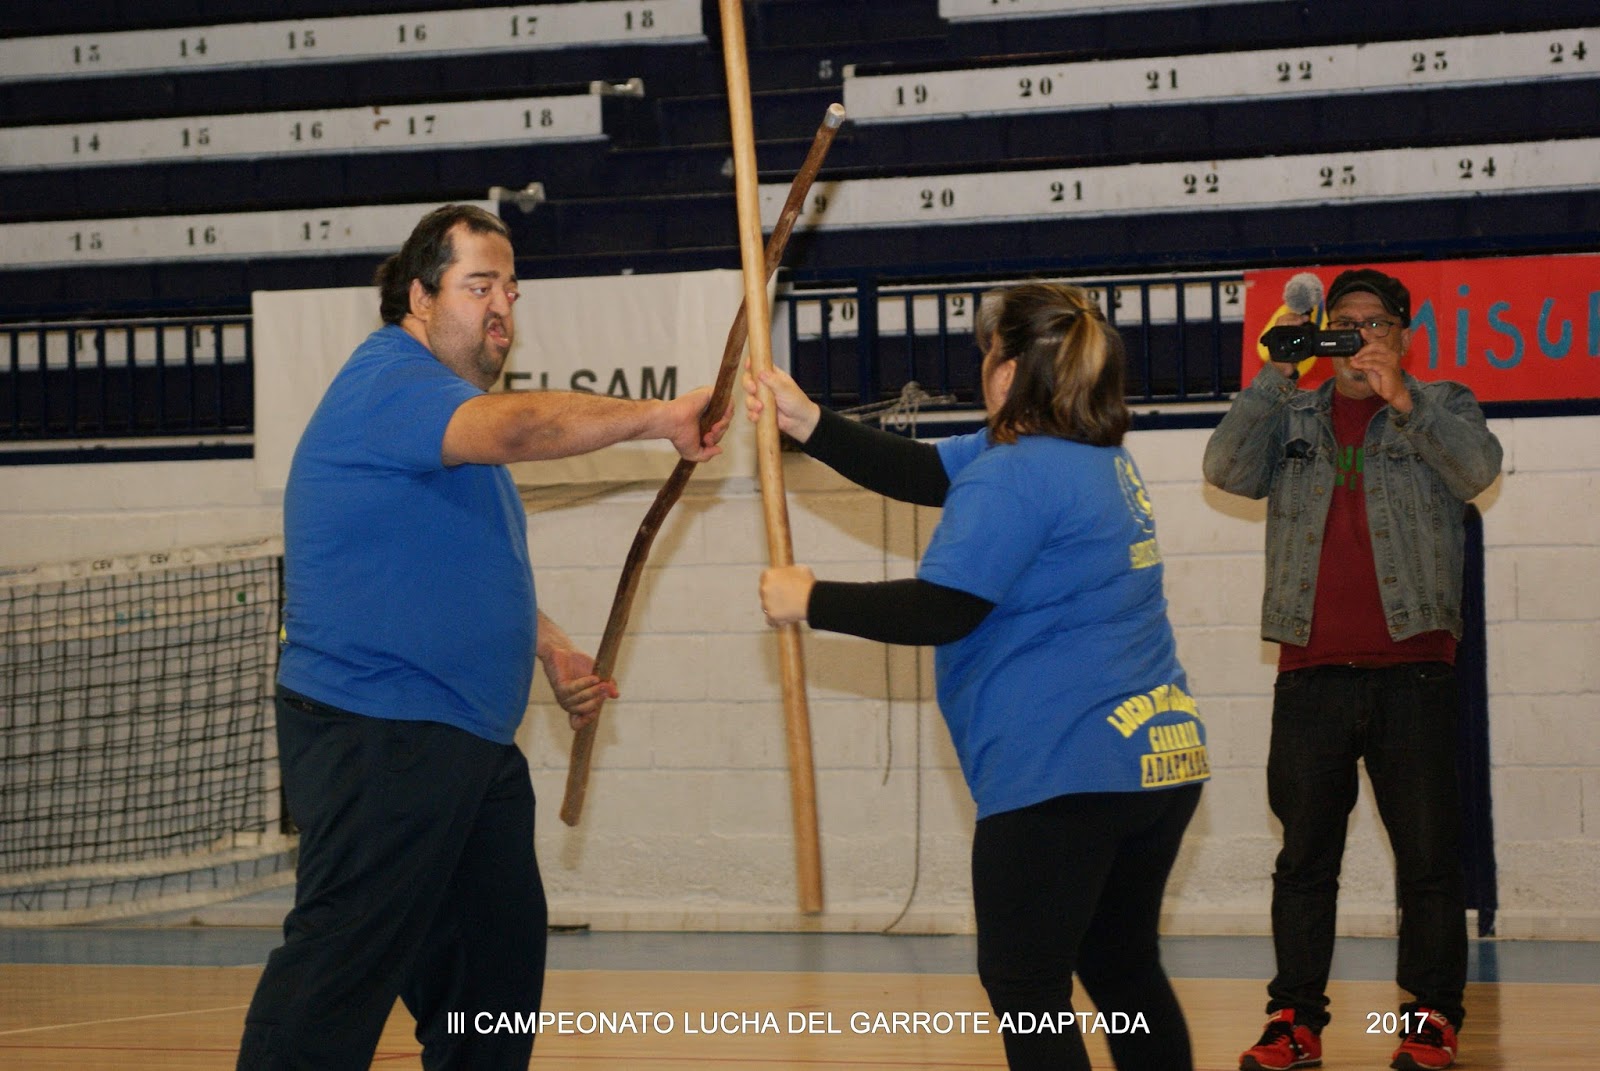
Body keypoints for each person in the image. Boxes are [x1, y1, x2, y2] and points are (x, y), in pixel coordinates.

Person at [238, 203, 728, 1070]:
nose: (502, 304)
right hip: (380, 733)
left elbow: (458, 565)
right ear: (420, 298)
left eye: (510, 288)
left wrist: (548, 647)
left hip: (466, 746)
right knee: (337, 974)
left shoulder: (447, 427)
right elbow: (524, 426)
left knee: (491, 992)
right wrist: (658, 418)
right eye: (479, 285)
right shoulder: (392, 381)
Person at [754, 282, 1207, 1071]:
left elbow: (943, 607)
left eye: (985, 355)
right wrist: (809, 422)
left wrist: (810, 599)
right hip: (1154, 764)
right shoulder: (1095, 458)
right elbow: (926, 471)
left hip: (1062, 777)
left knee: (1027, 987)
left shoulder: (1014, 474)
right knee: (1121, 966)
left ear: (1006, 371)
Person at [1203, 268, 1502, 1071]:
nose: (1360, 336)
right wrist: (1277, 371)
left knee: (1429, 860)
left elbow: (1477, 469)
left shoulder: (1443, 403)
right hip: (1309, 671)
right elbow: (1225, 468)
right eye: (1345, 322)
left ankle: (1431, 1017)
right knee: (1304, 861)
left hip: (1415, 669)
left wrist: (1403, 397)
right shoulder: (1292, 410)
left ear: (1403, 335)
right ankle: (1293, 1021)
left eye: (1376, 323)